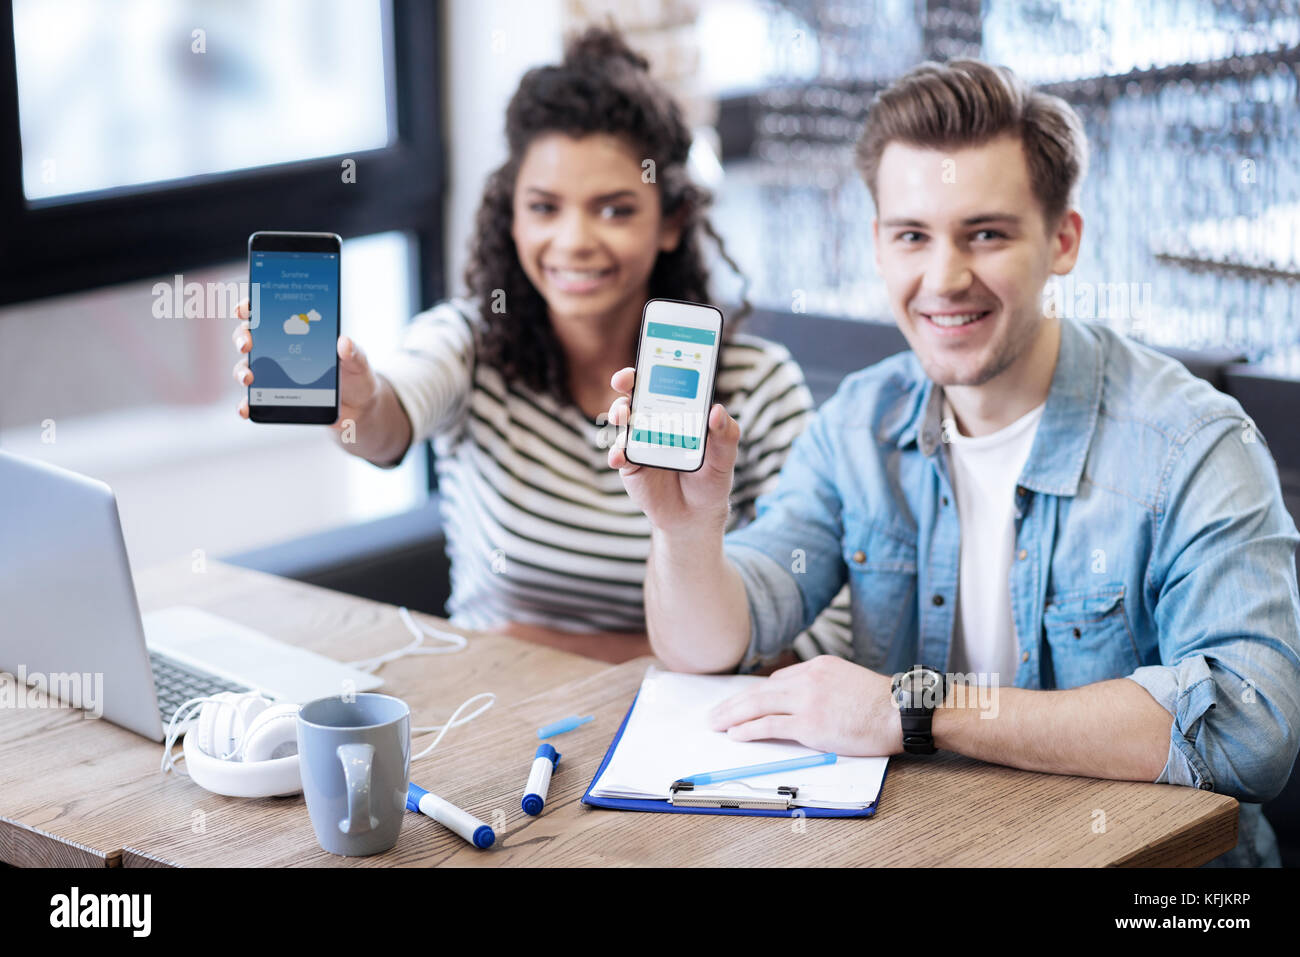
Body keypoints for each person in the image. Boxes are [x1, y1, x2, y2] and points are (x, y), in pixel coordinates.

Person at [606, 58, 1300, 866]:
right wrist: (686, 533)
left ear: (1063, 239)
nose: (944, 279)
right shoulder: (859, 423)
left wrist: (918, 709)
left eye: (987, 233)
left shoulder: (1194, 442)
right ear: (877, 245)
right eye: (912, 235)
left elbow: (1253, 728)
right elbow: (709, 645)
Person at [231, 26, 851, 665]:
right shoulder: (469, 342)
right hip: (495, 713)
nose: (575, 241)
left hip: (689, 727)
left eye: (614, 210)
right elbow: (387, 423)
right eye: (545, 207)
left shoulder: (759, 388)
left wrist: (548, 646)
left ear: (670, 222)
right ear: (512, 216)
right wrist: (356, 406)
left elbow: (817, 641)